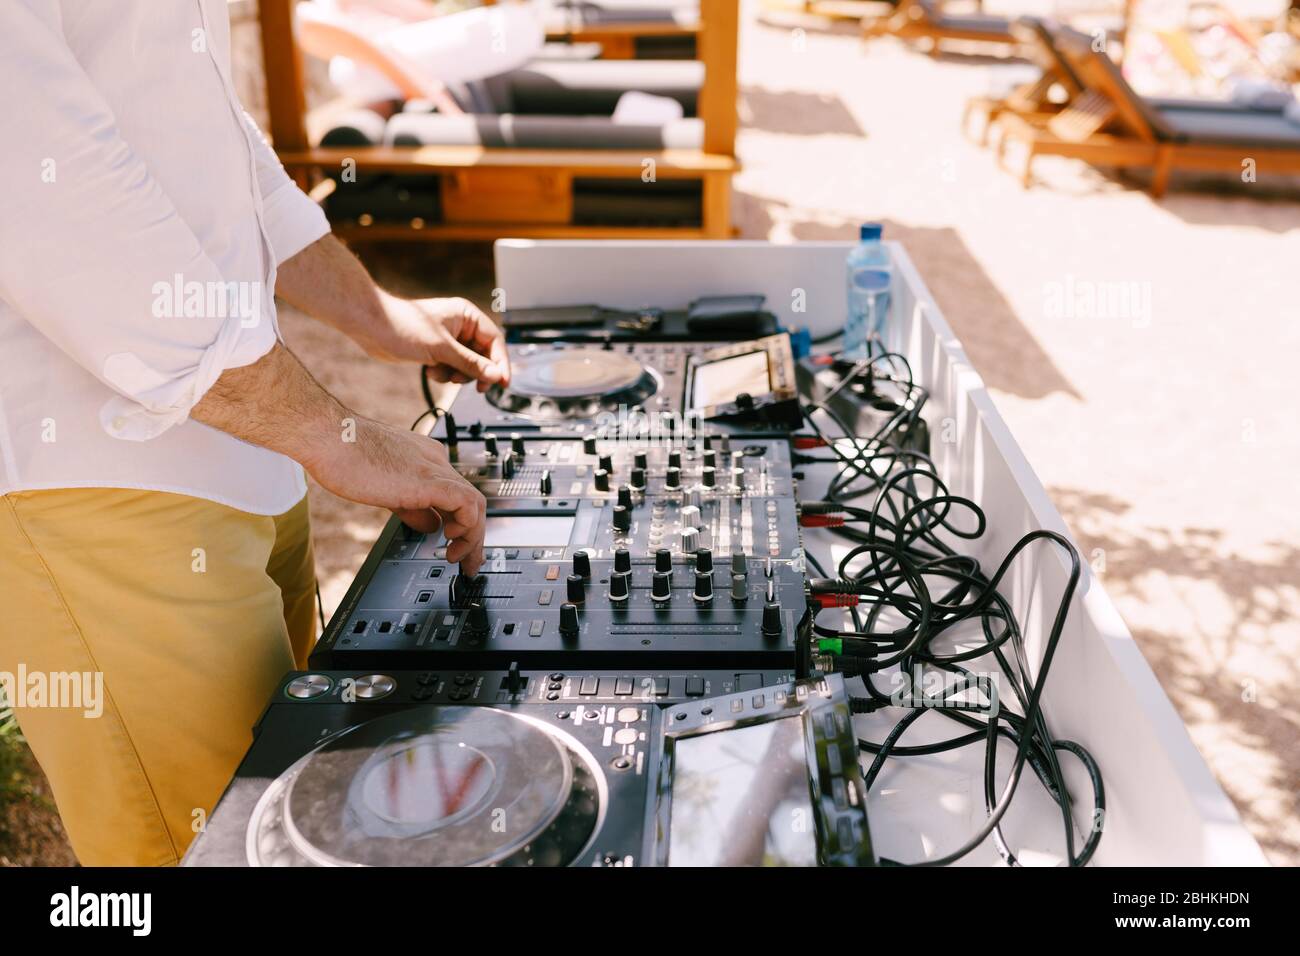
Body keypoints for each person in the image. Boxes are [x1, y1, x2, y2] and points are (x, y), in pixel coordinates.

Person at [0, 0, 506, 865]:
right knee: (223, 853)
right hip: (98, 483)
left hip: (246, 447)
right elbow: (57, 197)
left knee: (297, 822)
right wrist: (340, 433)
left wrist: (376, 315)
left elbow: (208, 136)